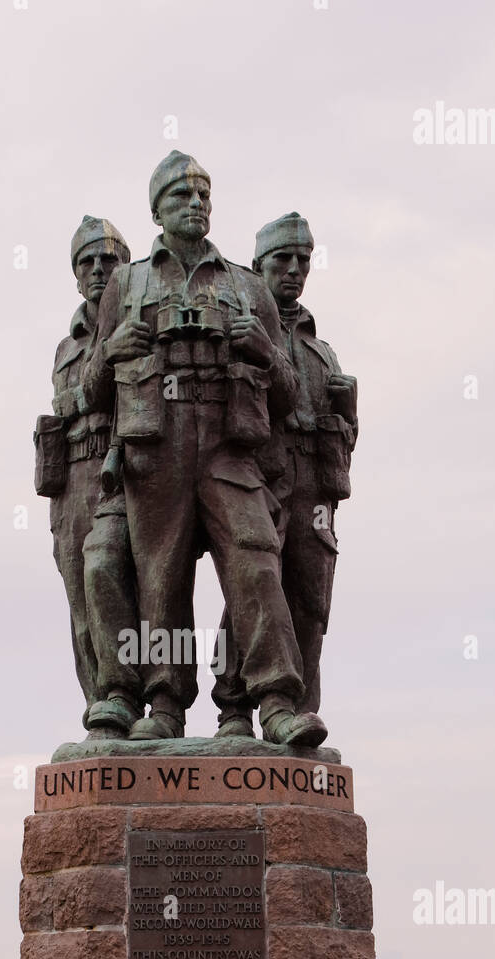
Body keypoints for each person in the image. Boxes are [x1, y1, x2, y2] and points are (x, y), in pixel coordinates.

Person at [82, 153, 325, 746]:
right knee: (160, 580)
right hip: (155, 447)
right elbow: (92, 393)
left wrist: (265, 350)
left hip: (228, 450)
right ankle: (164, 703)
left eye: (203, 197)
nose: (195, 206)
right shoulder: (127, 283)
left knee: (256, 561)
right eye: (181, 197)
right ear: (156, 210)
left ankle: (275, 702)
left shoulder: (245, 286)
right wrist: (113, 349)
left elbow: (290, 396)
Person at [212, 212, 358, 742]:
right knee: (251, 587)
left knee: (311, 601)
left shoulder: (323, 353)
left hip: (315, 487)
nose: (295, 270)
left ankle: (298, 712)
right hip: (261, 474)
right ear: (258, 267)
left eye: (304, 261)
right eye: (283, 260)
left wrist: (348, 412)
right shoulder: (243, 331)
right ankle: (233, 708)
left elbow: (347, 436)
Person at [33, 216, 142, 733]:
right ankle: (102, 707)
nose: (98, 270)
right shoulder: (66, 346)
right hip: (70, 477)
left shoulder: (137, 323)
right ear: (76, 275)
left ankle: (129, 692)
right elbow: (67, 404)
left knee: (109, 575)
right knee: (80, 601)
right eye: (87, 262)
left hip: (119, 469)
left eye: (108, 259)